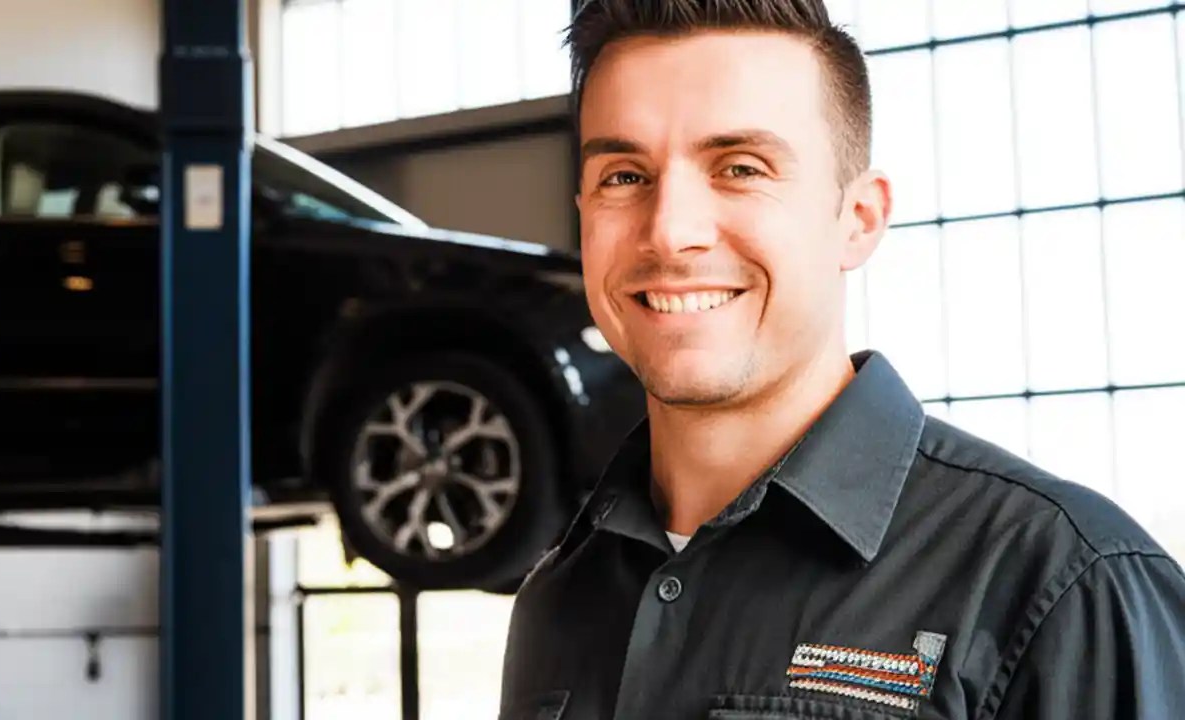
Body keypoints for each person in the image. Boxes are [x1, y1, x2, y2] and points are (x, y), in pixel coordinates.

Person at [497, 1, 1185, 718]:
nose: (669, 232)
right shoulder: (557, 598)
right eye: (623, 177)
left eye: (739, 167)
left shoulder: (1065, 585)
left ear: (859, 221)